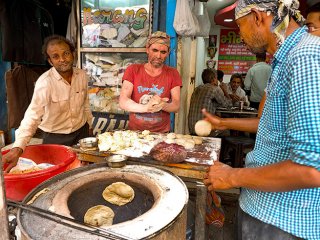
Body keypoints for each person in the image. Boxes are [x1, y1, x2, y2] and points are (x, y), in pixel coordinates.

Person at [203, 1, 320, 240]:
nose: (240, 34)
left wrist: (232, 176)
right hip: (261, 209)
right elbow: (268, 124)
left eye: (239, 25)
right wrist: (223, 123)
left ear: (257, 17)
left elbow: (312, 169)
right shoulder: (282, 60)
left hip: (282, 222)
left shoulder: (306, 55)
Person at [2, 35, 93, 173]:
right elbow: (32, 116)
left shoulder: (82, 75)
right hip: (56, 138)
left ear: (73, 54)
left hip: (82, 133)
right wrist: (17, 148)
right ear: (50, 61)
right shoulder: (45, 83)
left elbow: (85, 104)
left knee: (84, 171)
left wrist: (91, 127)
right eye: (56, 56)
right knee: (59, 176)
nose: (62, 59)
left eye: (66, 53)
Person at [119, 31, 182, 133]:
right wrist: (146, 108)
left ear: (168, 52)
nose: (158, 56)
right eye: (155, 50)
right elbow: (123, 101)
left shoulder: (173, 73)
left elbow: (176, 105)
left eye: (163, 52)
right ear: (147, 49)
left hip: (162, 133)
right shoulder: (133, 70)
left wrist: (162, 105)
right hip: (135, 133)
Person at [188, 69, 232, 135]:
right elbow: (228, 105)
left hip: (192, 128)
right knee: (227, 131)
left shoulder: (197, 89)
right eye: (216, 78)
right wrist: (225, 91)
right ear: (213, 79)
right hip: (204, 130)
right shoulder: (214, 89)